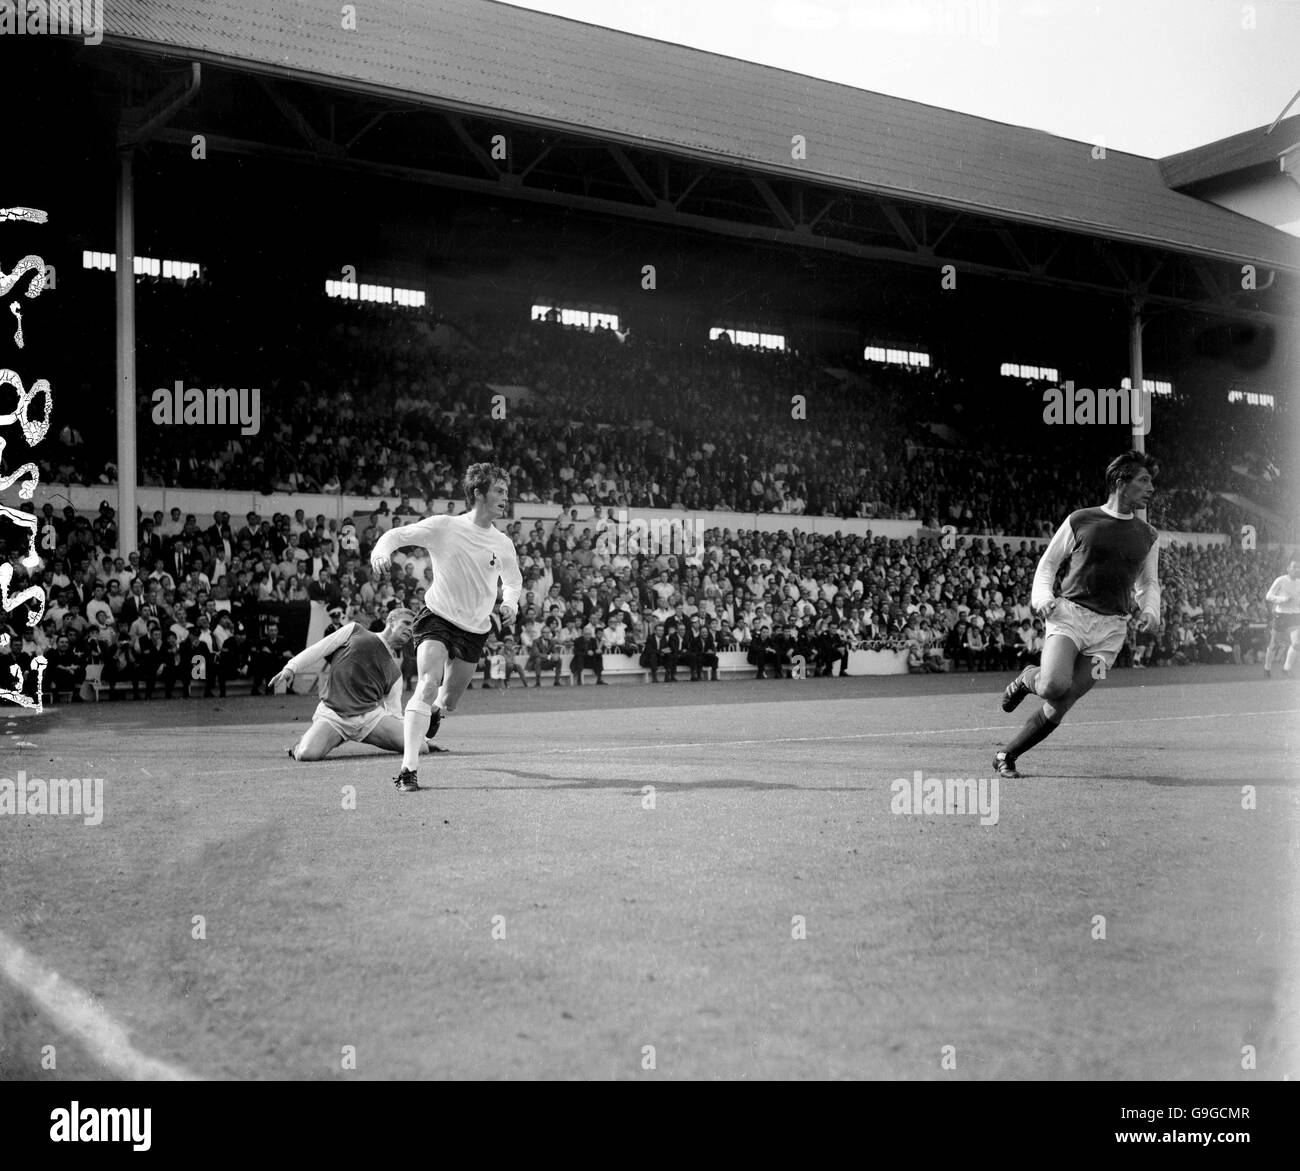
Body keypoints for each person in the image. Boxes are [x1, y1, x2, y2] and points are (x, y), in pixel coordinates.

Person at [995, 450, 1160, 778]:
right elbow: (1049, 563)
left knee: (1064, 701)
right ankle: (1030, 677)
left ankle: (1007, 754)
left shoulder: (1149, 535)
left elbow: (1149, 583)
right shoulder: (1081, 519)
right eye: (1143, 480)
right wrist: (1042, 596)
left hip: (1111, 636)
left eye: (1151, 482)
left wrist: (1152, 610)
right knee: (1052, 686)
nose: (1150, 488)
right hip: (1070, 616)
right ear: (1120, 482)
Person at [369, 463, 522, 793]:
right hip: (437, 616)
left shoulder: (502, 543)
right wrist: (381, 552)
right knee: (427, 682)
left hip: (475, 629)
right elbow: (396, 535)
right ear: (478, 493)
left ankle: (437, 711)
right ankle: (408, 769)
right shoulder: (444, 527)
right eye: (498, 491)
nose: (504, 498)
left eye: (506, 492)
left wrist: (510, 604)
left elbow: (512, 582)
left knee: (448, 700)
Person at [272, 607, 442, 762]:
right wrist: (291, 668)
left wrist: (422, 739)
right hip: (334, 714)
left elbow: (395, 714)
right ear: (390, 621)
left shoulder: (395, 673)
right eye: (406, 623)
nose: (410, 629)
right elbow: (320, 648)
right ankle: (308, 741)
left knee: (420, 748)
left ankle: (425, 731)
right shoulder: (354, 631)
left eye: (412, 627)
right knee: (305, 754)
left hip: (369, 719)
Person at [1263, 559, 1300, 679]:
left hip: (1294, 615)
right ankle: (1267, 667)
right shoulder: (1281, 580)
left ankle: (1286, 668)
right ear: (1288, 568)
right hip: (1281, 615)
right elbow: (1268, 596)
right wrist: (1283, 599)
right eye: (1294, 567)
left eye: (1298, 568)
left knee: (1296, 643)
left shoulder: (1299, 583)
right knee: (1274, 644)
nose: (1297, 570)